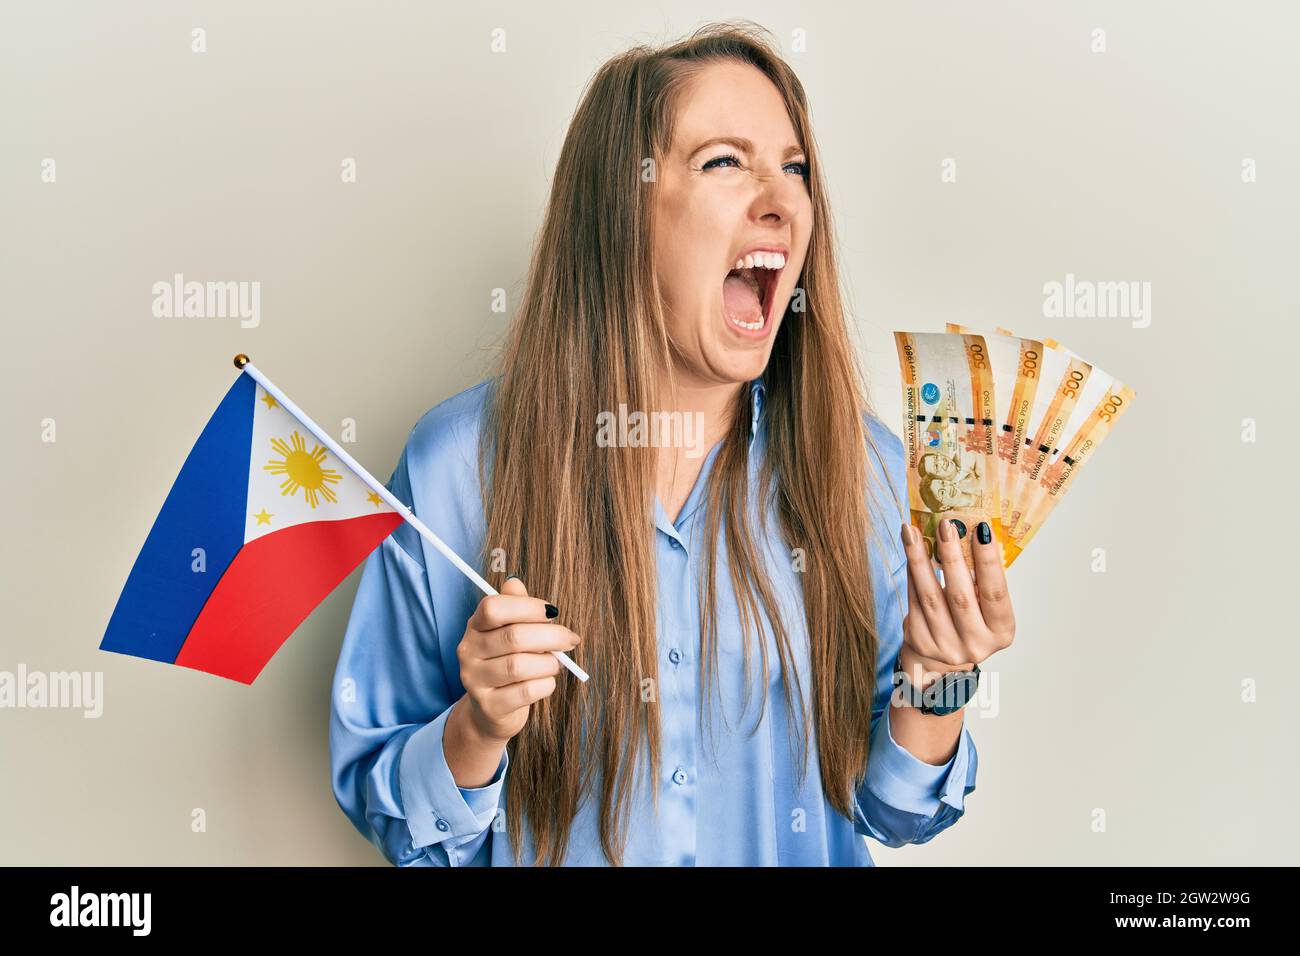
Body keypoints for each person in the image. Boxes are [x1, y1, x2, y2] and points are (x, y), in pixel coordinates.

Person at [329, 21, 1016, 867]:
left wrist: (939, 678)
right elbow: (393, 818)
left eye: (794, 167)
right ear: (625, 210)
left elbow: (892, 812)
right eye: (725, 162)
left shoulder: (866, 470)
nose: (780, 198)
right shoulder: (457, 467)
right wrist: (478, 726)